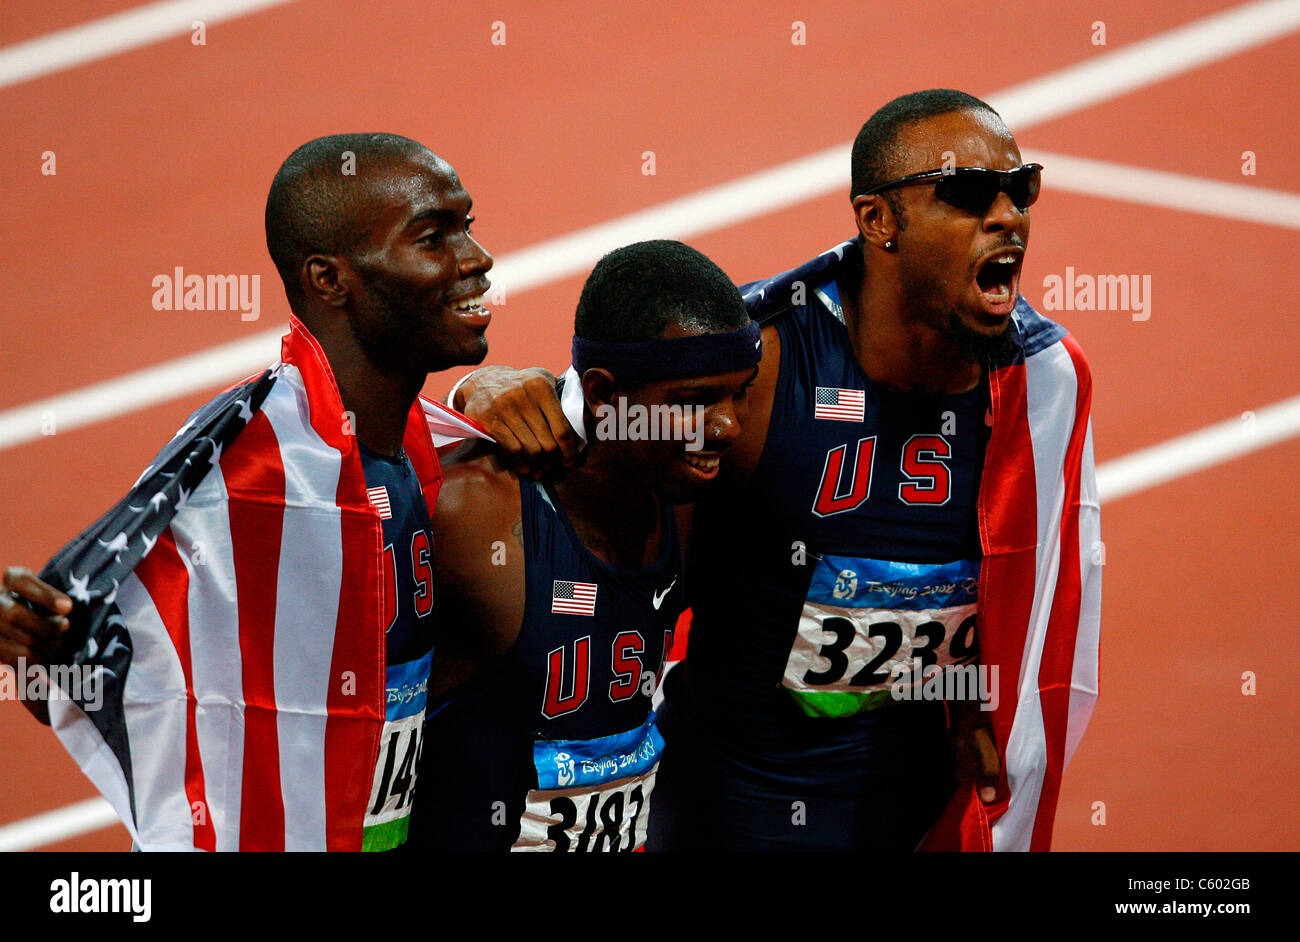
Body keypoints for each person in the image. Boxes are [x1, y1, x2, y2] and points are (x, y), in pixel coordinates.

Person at [451, 89, 1101, 851]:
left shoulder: (1039, 384)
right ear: (877, 221)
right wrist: (485, 390)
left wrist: (970, 704)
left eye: (1020, 188)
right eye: (965, 193)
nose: (1007, 215)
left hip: (920, 799)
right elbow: (597, 426)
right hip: (733, 805)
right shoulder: (759, 362)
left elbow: (1018, 585)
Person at [0, 133, 494, 851]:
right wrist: (38, 648)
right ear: (330, 279)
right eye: (433, 238)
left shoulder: (434, 447)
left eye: (467, 226)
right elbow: (103, 674)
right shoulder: (250, 478)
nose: (475, 258)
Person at [410, 240, 760, 851]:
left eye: (741, 392)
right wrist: (475, 387)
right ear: (601, 393)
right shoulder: (472, 512)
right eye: (695, 401)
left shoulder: (693, 492)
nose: (729, 425)